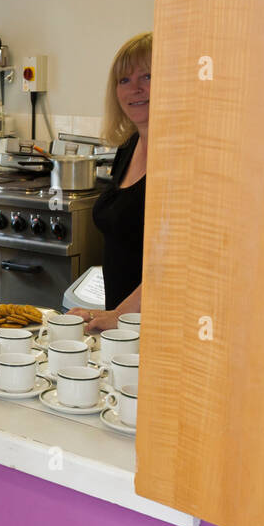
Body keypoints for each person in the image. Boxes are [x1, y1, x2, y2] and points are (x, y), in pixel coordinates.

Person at [70, 32, 151, 334]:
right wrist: (108, 313)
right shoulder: (128, 146)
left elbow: (176, 263)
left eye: (148, 76)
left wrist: (120, 315)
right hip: (126, 328)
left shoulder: (179, 158)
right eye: (124, 80)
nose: (136, 89)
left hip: (155, 329)